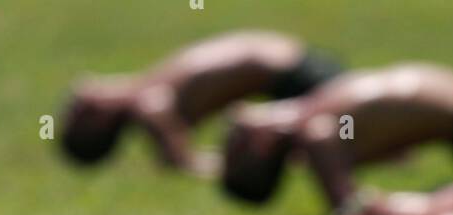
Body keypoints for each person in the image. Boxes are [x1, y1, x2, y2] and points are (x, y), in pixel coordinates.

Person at [221, 62, 453, 207]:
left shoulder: (305, 113)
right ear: (261, 145)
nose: (233, 122)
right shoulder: (314, 132)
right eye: (235, 140)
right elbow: (349, 208)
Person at [59, 30, 342, 175]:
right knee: (345, 129)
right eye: (81, 107)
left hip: (292, 72)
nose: (83, 89)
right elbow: (177, 154)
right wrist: (206, 164)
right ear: (100, 119)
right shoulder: (146, 102)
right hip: (294, 76)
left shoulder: (144, 89)